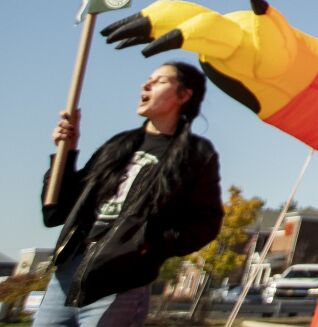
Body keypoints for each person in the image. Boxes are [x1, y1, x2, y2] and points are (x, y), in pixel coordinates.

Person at [39, 60, 222, 327]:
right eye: (148, 79)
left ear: (183, 95)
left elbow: (206, 224)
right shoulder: (118, 145)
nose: (145, 85)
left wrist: (145, 246)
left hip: (121, 281)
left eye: (159, 81)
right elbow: (56, 212)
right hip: (67, 273)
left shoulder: (196, 154)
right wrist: (65, 153)